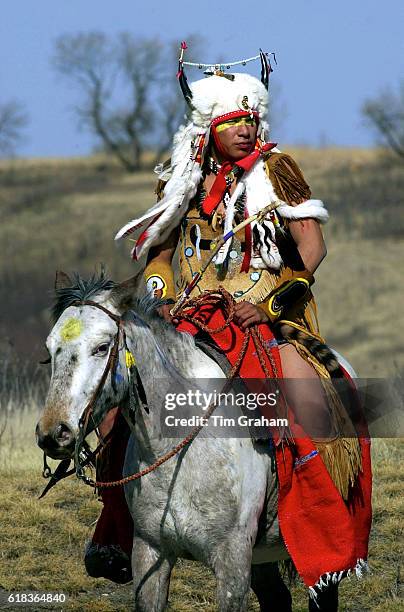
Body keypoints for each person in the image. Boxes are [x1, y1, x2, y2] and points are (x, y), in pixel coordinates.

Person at [86, 47, 364, 586]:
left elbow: (313, 244)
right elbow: (160, 254)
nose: (246, 129)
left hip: (266, 311)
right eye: (234, 121)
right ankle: (115, 528)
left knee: (296, 393)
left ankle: (306, 514)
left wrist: (271, 301)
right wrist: (161, 294)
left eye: (250, 119)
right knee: (126, 398)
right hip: (192, 312)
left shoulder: (278, 169)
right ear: (210, 126)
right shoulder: (181, 177)